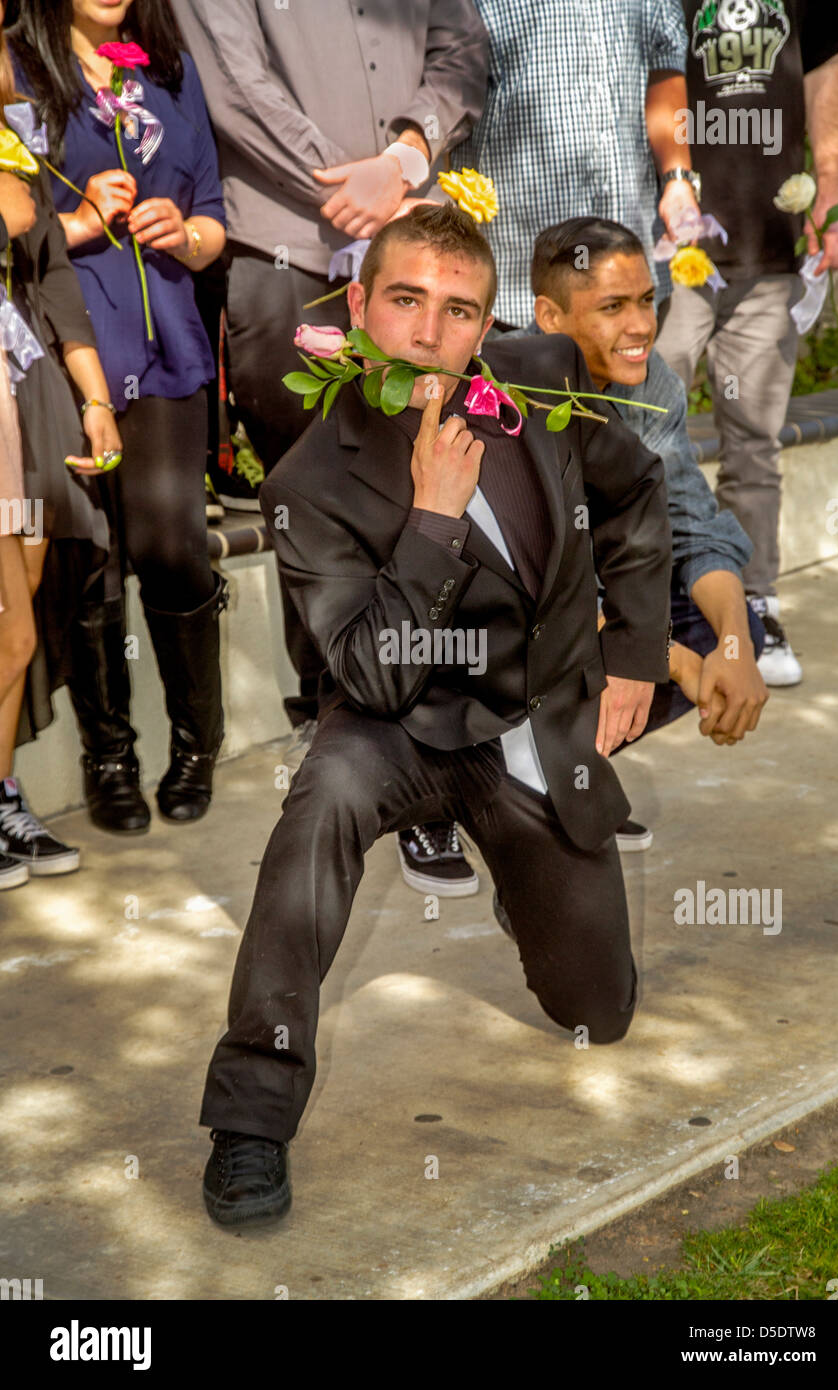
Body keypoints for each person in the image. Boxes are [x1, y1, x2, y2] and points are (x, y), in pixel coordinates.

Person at [197, 204, 672, 1227]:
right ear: (359, 306)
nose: (428, 332)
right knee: (316, 802)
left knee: (600, 1010)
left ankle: (522, 886)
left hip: (530, 729)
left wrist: (632, 651)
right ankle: (249, 1114)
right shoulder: (306, 483)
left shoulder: (539, 375)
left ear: (486, 324)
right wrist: (431, 521)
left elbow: (634, 497)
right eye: (404, 300)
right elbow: (368, 675)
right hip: (396, 726)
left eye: (458, 311)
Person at [171, 0, 491, 891]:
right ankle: (351, 737)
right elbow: (237, 87)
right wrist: (356, 191)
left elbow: (463, 47)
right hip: (289, 253)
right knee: (321, 507)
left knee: (431, 486)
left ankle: (439, 759)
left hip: (414, 247)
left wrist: (406, 157)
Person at [10, 0, 229, 831]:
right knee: (93, 560)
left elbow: (211, 215)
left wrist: (187, 231)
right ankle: (110, 760)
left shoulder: (168, 68)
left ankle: (197, 745)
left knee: (172, 545)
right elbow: (16, 227)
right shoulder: (17, 71)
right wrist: (78, 222)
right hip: (66, 344)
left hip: (167, 335)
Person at [498, 215, 770, 855]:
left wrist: (730, 648)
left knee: (735, 624)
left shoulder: (650, 385)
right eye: (613, 307)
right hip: (504, 631)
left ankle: (565, 776)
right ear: (550, 316)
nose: (643, 326)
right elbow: (531, 589)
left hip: (597, 613)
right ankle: (489, 795)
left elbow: (693, 524)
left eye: (647, 301)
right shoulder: (509, 395)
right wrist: (672, 661)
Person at [655, 0, 838, 686]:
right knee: (639, 430)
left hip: (770, 244)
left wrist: (830, 194)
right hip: (672, 245)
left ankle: (754, 609)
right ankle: (639, 612)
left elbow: (826, 67)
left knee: (754, 441)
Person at [0, 1, 122, 887]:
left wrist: (94, 397)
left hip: (26, 375)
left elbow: (50, 271)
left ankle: (1, 792)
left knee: (29, 590)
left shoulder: (17, 135)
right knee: (8, 624)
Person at [452, 0, 701, 330]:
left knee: (630, 376)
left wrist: (677, 178)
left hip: (631, 246)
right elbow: (447, 86)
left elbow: (664, 76)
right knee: (525, 378)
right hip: (518, 265)